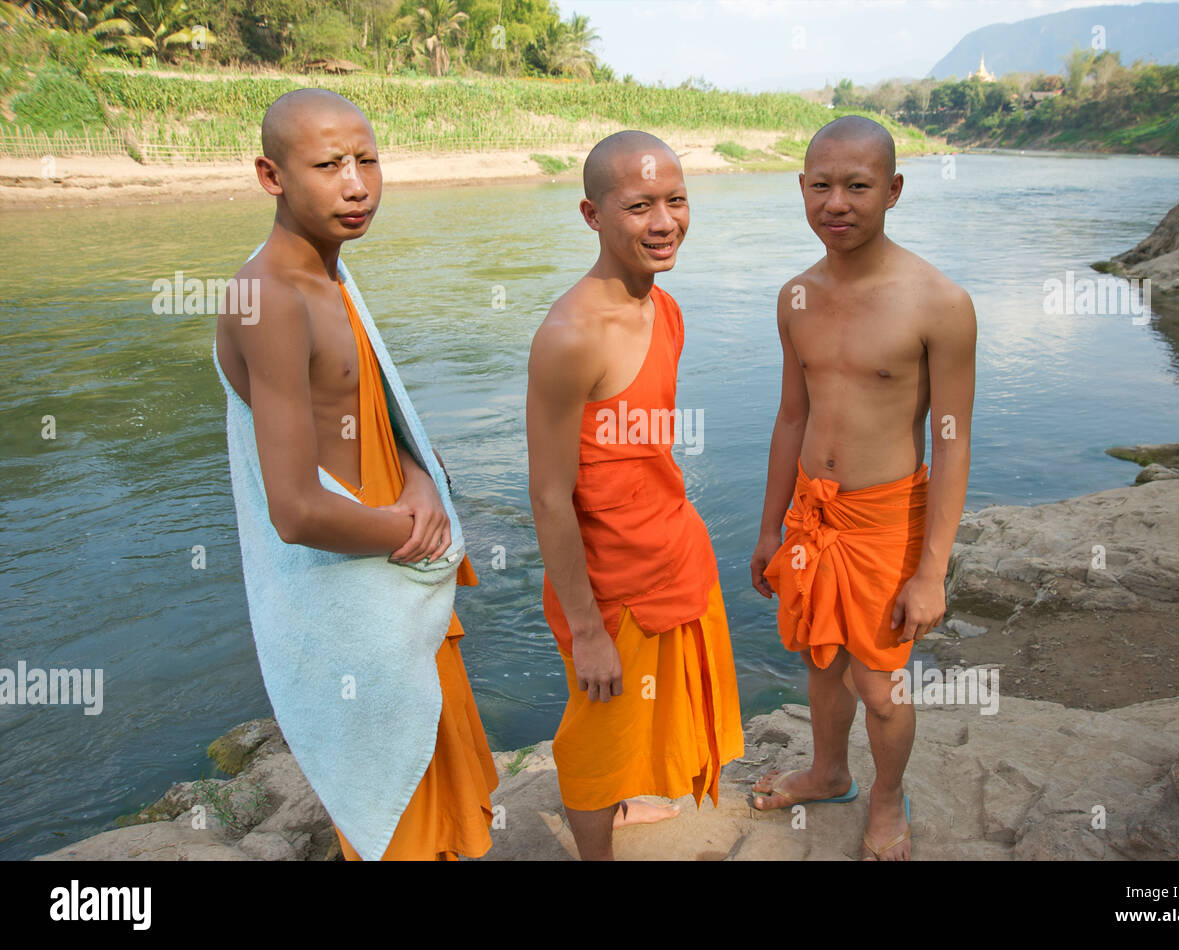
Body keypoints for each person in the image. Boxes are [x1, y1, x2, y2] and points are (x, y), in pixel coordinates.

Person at [214, 88, 496, 861]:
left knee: (435, 800)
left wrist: (420, 479)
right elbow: (297, 511)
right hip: (362, 585)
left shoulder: (330, 275)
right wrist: (416, 535)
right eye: (329, 164)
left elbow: (381, 414)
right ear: (272, 176)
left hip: (394, 561)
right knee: (397, 819)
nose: (355, 183)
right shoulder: (269, 297)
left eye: (367, 159)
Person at [749, 116, 976, 861]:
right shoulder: (795, 297)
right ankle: (828, 772)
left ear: (894, 191)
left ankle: (886, 796)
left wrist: (932, 570)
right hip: (813, 516)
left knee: (879, 686)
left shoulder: (938, 304)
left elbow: (951, 441)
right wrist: (769, 527)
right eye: (821, 186)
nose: (836, 203)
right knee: (819, 659)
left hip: (887, 520)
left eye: (857, 186)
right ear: (802, 190)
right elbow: (790, 416)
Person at [526, 130, 744, 861]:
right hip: (610, 582)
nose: (664, 222)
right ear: (592, 215)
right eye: (639, 205)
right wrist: (586, 628)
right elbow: (552, 498)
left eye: (677, 201)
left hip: (674, 549)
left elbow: (644, 451)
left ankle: (632, 796)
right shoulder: (570, 335)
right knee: (594, 744)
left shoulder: (667, 310)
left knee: (638, 724)